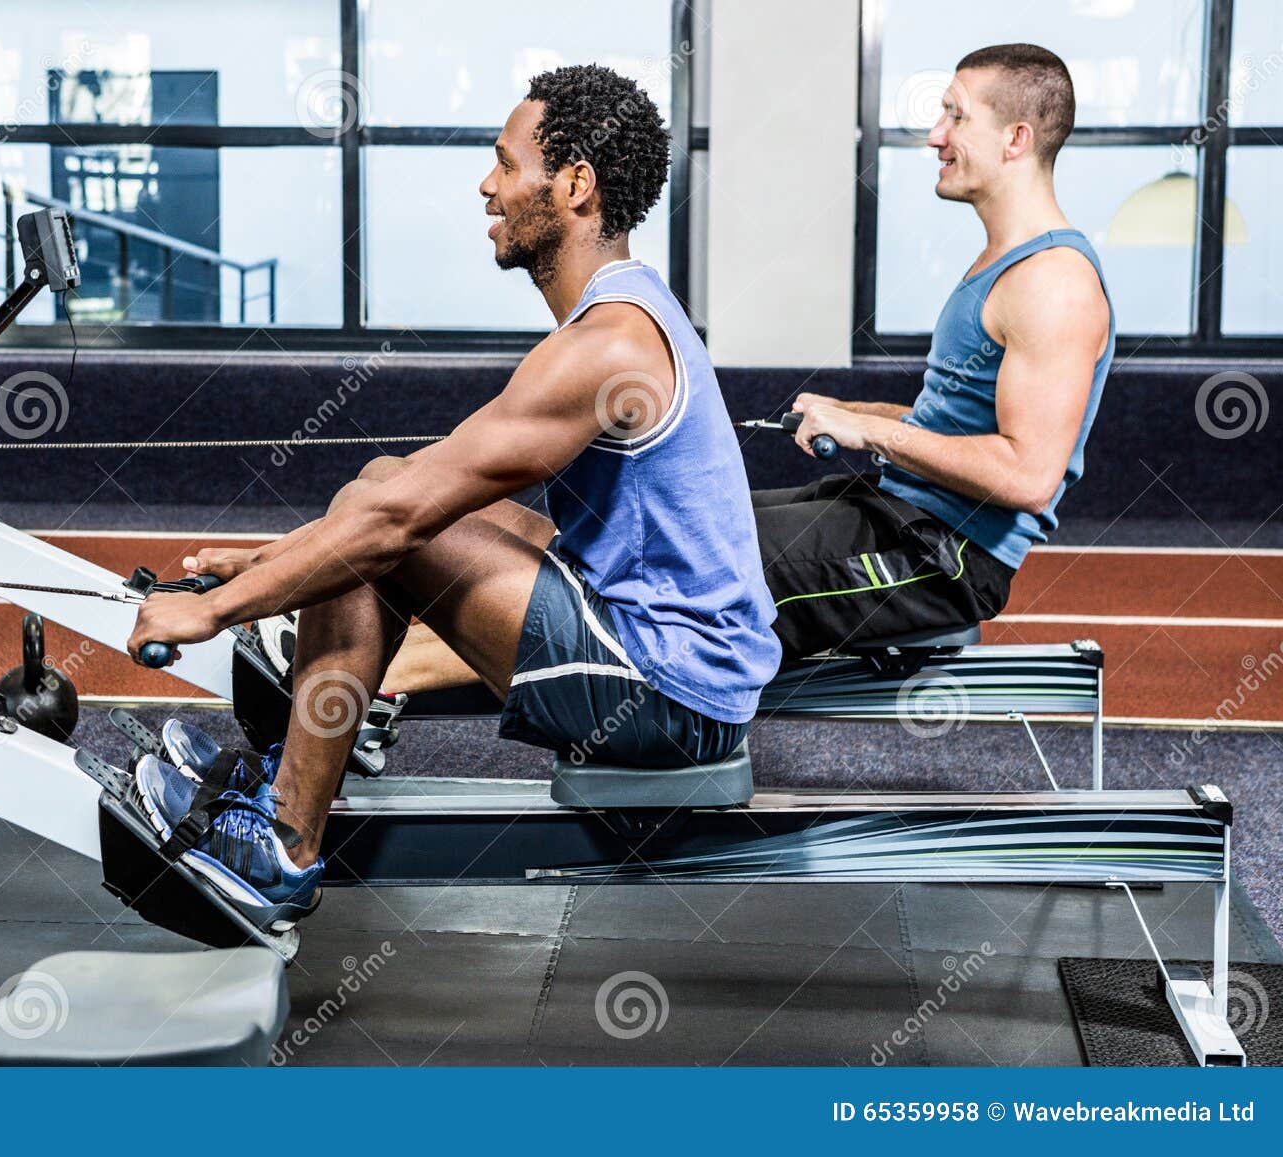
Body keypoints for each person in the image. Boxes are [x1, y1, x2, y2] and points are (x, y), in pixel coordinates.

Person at [125, 65, 782, 931]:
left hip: (672, 691)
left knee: (386, 519)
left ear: (574, 185)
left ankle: (282, 843)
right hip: (676, 661)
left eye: (506, 165)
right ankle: (296, 772)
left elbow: (402, 518)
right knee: (390, 490)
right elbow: (447, 482)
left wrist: (215, 613)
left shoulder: (607, 344)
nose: (488, 185)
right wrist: (275, 559)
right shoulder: (625, 311)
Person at [334, 40, 1115, 689]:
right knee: (668, 539)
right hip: (894, 508)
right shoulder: (1004, 262)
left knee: (685, 582)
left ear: (1017, 138)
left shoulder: (1053, 284)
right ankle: (373, 650)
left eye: (955, 116)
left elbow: (1026, 475)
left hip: (940, 556)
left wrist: (870, 433)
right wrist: (864, 417)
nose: (935, 135)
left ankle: (373, 679)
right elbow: (960, 424)